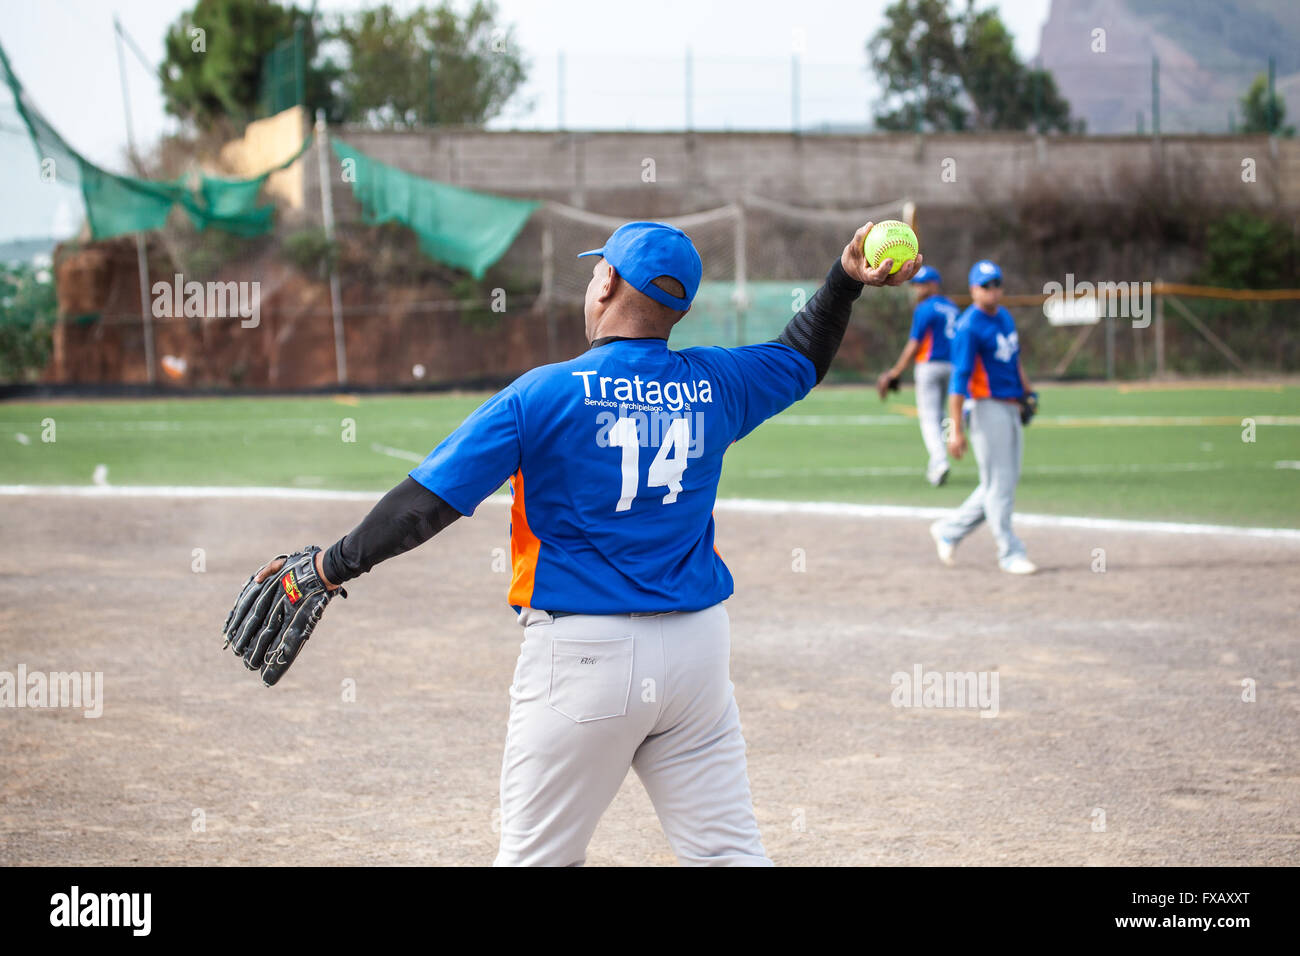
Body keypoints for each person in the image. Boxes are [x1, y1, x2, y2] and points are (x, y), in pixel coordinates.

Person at [222, 220, 922, 866]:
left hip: (584, 657)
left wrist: (330, 565)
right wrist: (843, 281)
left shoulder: (545, 393)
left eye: (598, 273)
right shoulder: (717, 383)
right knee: (730, 856)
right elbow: (802, 354)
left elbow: (430, 502)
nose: (593, 283)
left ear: (609, 285)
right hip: (698, 656)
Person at [929, 260, 1037, 575]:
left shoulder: (1004, 317)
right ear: (973, 290)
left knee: (1001, 482)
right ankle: (1010, 552)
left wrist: (1026, 393)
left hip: (1008, 404)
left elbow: (1014, 362)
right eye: (984, 285)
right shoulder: (968, 326)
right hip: (985, 407)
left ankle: (950, 529)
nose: (992, 290)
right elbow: (959, 380)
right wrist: (954, 430)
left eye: (996, 284)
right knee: (1000, 484)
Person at [874, 264, 960, 486]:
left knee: (929, 417)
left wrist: (896, 371)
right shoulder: (952, 307)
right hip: (953, 366)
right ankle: (943, 453)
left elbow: (914, 345)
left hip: (930, 367)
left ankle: (939, 461)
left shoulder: (925, 308)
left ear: (934, 285)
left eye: (922, 284)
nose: (918, 289)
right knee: (943, 415)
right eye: (916, 285)